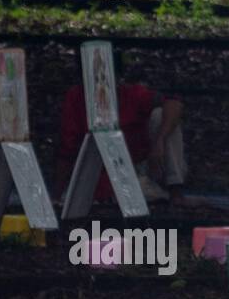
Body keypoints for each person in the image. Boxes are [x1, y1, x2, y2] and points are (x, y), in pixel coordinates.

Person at [56, 49, 189, 206]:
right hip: (101, 175)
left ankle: (175, 192)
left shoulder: (132, 94)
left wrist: (159, 141)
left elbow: (174, 104)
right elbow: (68, 148)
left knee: (160, 116)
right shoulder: (76, 98)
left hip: (141, 168)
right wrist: (58, 194)